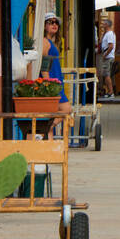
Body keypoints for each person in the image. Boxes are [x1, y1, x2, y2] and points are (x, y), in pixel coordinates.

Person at [41, 13, 75, 144]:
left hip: (56, 82)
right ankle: (47, 128)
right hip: (52, 83)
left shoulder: (52, 42)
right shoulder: (45, 42)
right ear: (44, 26)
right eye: (50, 22)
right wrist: (48, 83)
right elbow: (44, 66)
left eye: (56, 22)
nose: (54, 25)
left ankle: (47, 132)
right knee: (66, 109)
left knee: (53, 113)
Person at [98, 17, 116, 100]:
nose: (102, 25)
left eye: (104, 24)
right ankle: (109, 91)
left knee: (106, 75)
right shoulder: (107, 33)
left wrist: (105, 55)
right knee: (106, 75)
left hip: (108, 57)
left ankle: (110, 92)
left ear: (107, 25)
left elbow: (111, 46)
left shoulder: (109, 34)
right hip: (107, 56)